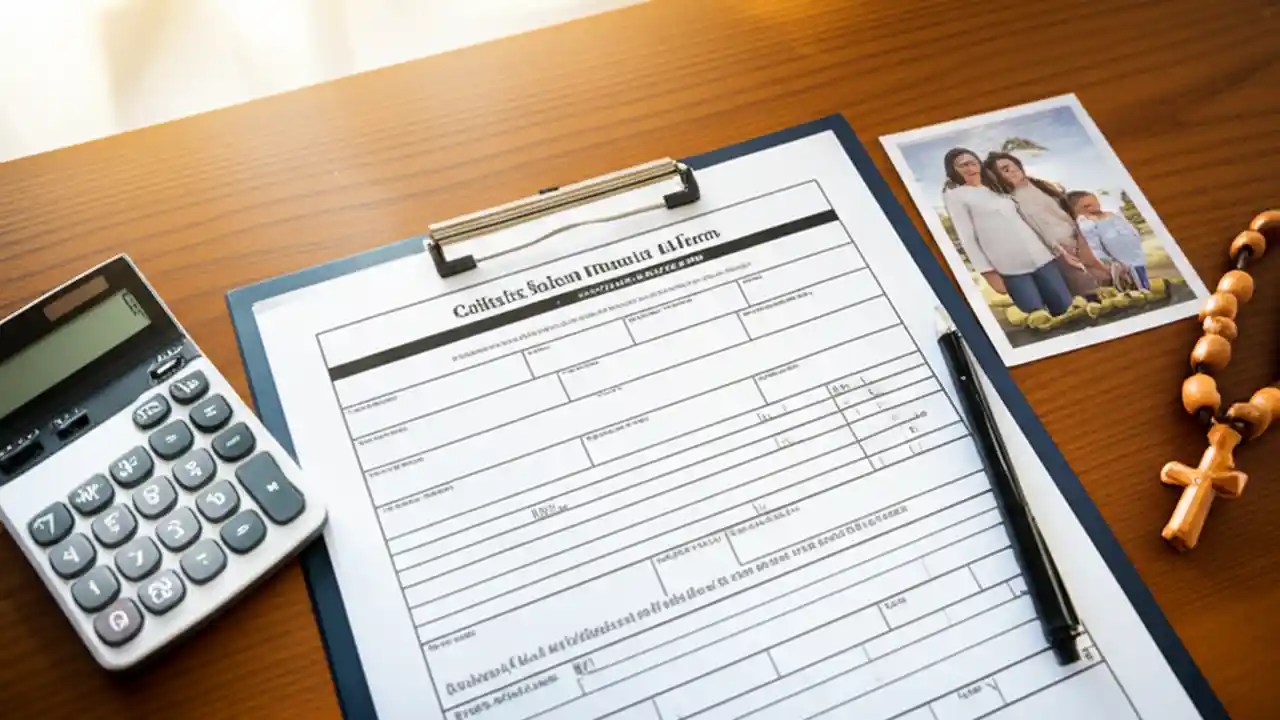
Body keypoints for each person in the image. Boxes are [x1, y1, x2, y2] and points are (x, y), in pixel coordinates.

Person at [940, 147, 1074, 315]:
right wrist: (988, 273)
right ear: (953, 170)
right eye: (963, 165)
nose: (970, 168)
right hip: (1009, 268)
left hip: (1042, 258)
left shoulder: (996, 188)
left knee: (1067, 309)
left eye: (973, 162)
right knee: (1036, 316)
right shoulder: (956, 196)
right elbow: (967, 237)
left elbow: (1028, 219)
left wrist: (1058, 248)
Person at [984, 152, 1108, 298]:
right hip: (1060, 249)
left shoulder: (1041, 186)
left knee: (1107, 277)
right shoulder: (1013, 201)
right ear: (998, 177)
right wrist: (1062, 253)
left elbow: (1066, 212)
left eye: (1012, 165)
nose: (1012, 171)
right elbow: (1037, 231)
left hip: (1080, 237)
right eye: (1004, 170)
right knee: (1089, 290)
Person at [1067, 190, 1150, 289]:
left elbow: (1132, 233)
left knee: (1145, 287)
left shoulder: (1113, 216)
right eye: (1087, 206)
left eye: (1096, 203)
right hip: (1122, 269)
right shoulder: (1086, 225)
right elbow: (1094, 249)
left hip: (1137, 260)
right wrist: (1110, 266)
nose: (1095, 208)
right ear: (1075, 211)